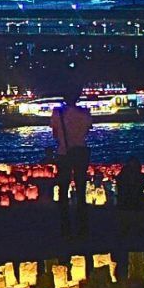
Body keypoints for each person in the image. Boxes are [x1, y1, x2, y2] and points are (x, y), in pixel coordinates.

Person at [50, 88, 92, 238]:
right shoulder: (85, 114)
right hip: (81, 152)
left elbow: (55, 134)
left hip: (64, 153)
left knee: (63, 189)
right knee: (81, 189)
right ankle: (83, 226)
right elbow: (87, 131)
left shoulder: (57, 113)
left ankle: (65, 226)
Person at [113, 155, 144, 242]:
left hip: (129, 199)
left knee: (134, 207)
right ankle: (134, 228)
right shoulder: (138, 176)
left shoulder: (124, 175)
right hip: (129, 199)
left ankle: (131, 228)